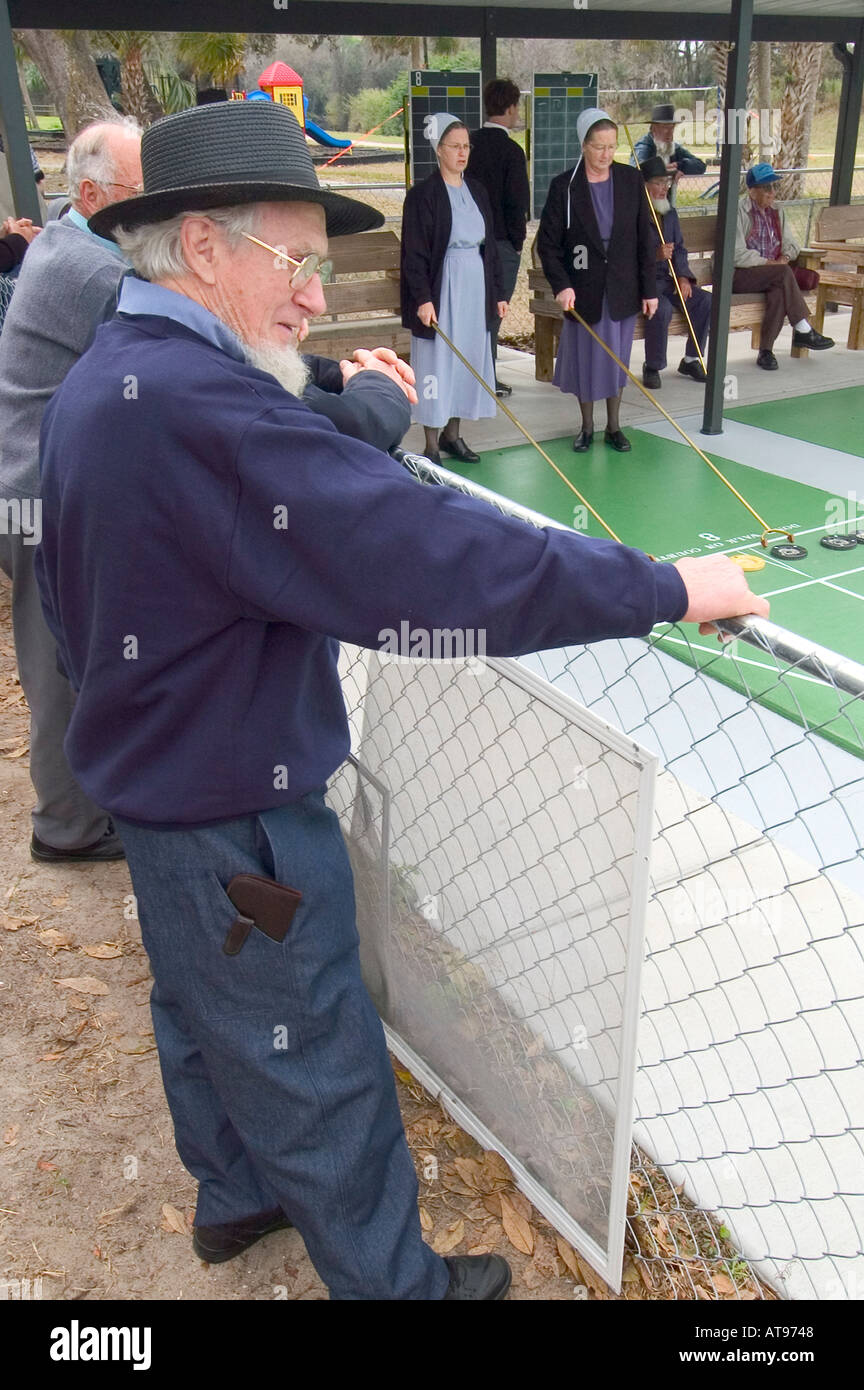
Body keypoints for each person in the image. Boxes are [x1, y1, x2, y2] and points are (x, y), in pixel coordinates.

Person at [35, 98, 768, 1301]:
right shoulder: (210, 413)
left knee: (199, 1004)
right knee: (315, 1050)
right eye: (296, 263)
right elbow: (438, 557)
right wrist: (664, 585)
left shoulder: (111, 372)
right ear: (202, 246)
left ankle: (236, 1192)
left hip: (154, 794)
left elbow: (68, 603)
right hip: (239, 818)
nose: (317, 298)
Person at [0, 118, 143, 865]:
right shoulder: (94, 271)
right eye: (138, 190)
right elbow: (183, 335)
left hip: (35, 488)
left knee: (66, 658)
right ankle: (65, 827)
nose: (152, 203)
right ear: (91, 195)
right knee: (56, 668)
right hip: (38, 497)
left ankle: (80, 810)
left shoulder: (62, 236)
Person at [537, 108, 657, 454]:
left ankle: (614, 426)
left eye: (611, 147)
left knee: (617, 358)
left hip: (622, 284)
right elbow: (548, 244)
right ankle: (587, 426)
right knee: (587, 359)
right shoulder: (565, 186)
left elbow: (645, 237)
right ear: (584, 146)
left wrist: (649, 289)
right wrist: (562, 285)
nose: (606, 155)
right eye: (599, 147)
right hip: (583, 286)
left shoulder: (630, 180)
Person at [400, 112, 506, 466]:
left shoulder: (477, 190)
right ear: (439, 150)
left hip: (474, 285)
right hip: (442, 285)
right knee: (437, 361)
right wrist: (423, 299)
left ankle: (453, 435)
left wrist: (498, 292)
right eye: (455, 146)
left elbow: (490, 246)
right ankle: (431, 444)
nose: (462, 153)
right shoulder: (423, 196)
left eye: (466, 146)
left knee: (465, 358)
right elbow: (414, 253)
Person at [732, 163, 834, 371]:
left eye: (774, 187)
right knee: (783, 274)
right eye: (766, 188)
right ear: (752, 191)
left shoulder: (778, 211)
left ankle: (766, 352)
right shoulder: (738, 212)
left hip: (774, 275)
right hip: (740, 274)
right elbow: (736, 254)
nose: (772, 192)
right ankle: (803, 328)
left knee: (779, 290)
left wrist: (785, 257)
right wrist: (771, 264)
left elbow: (791, 244)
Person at [467, 78, 530, 397]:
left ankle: (473, 372)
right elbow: (517, 202)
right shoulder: (512, 152)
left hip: (468, 243)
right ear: (510, 108)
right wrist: (517, 243)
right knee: (494, 311)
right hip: (502, 243)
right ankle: (486, 375)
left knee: (471, 311)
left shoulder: (468, 145)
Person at [639, 157, 712, 388]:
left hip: (667, 279)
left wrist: (683, 276)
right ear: (644, 185)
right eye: (658, 183)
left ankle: (691, 359)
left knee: (705, 301)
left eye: (666, 183)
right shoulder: (633, 215)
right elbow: (625, 256)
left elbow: (679, 248)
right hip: (643, 283)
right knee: (661, 309)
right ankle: (653, 366)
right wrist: (655, 255)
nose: (664, 188)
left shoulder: (669, 213)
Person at [630, 102, 706, 204]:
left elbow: (700, 165)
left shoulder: (673, 148)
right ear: (654, 128)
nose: (670, 133)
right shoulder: (644, 146)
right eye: (665, 127)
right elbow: (635, 171)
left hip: (664, 202)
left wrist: (678, 166)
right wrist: (661, 170)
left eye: (672, 127)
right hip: (643, 203)